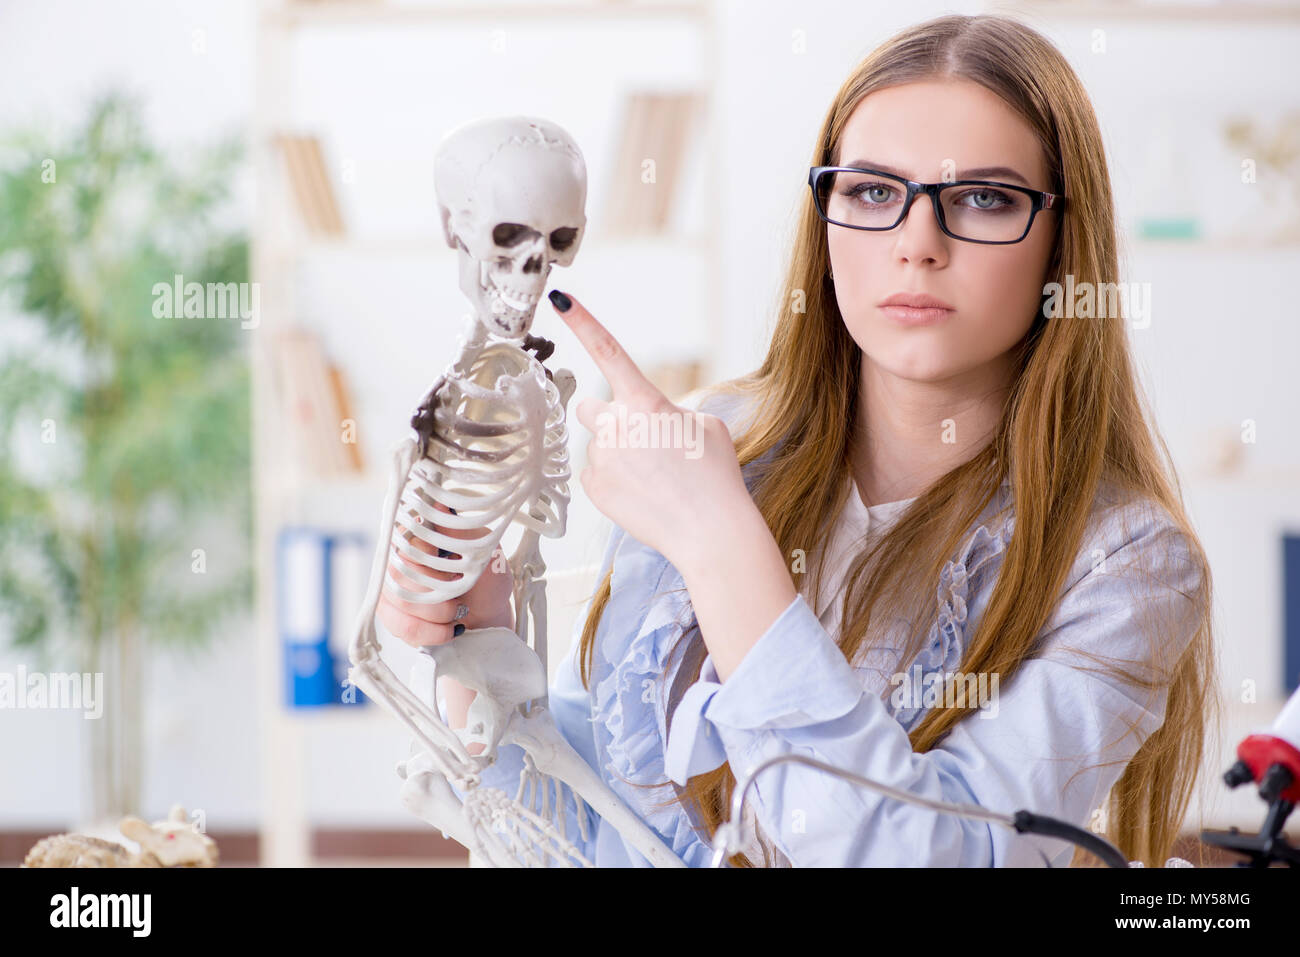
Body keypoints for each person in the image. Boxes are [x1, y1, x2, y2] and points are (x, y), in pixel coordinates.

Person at [378, 13, 1216, 867]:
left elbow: (930, 856)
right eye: (872, 192)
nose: (917, 245)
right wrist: (484, 664)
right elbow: (595, 841)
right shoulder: (720, 443)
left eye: (984, 199)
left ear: (1062, 243)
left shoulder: (1129, 565)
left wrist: (721, 544)